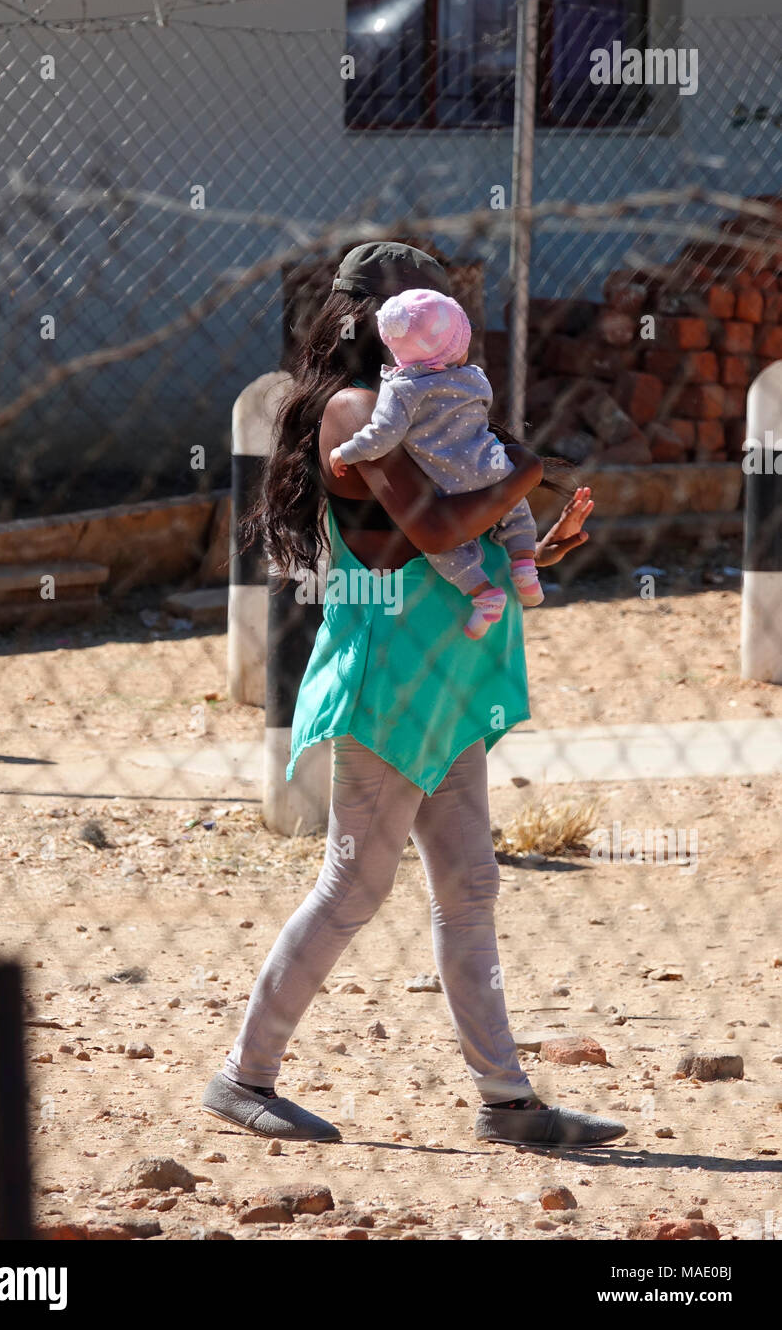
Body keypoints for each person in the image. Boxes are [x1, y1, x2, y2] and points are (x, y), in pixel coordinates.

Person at [202, 241, 624, 1149]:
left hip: (443, 681)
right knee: (353, 884)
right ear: (374, 319)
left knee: (470, 884)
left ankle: (507, 1102)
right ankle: (244, 1078)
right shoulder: (358, 411)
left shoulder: (422, 409)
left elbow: (455, 534)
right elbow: (424, 530)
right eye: (424, 301)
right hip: (391, 681)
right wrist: (521, 472)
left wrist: (533, 544)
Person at [329, 286, 542, 639]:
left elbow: (383, 435)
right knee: (516, 507)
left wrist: (346, 451)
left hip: (448, 483)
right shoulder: (475, 378)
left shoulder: (401, 389)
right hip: (489, 464)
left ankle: (483, 594)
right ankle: (524, 565)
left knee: (447, 551)